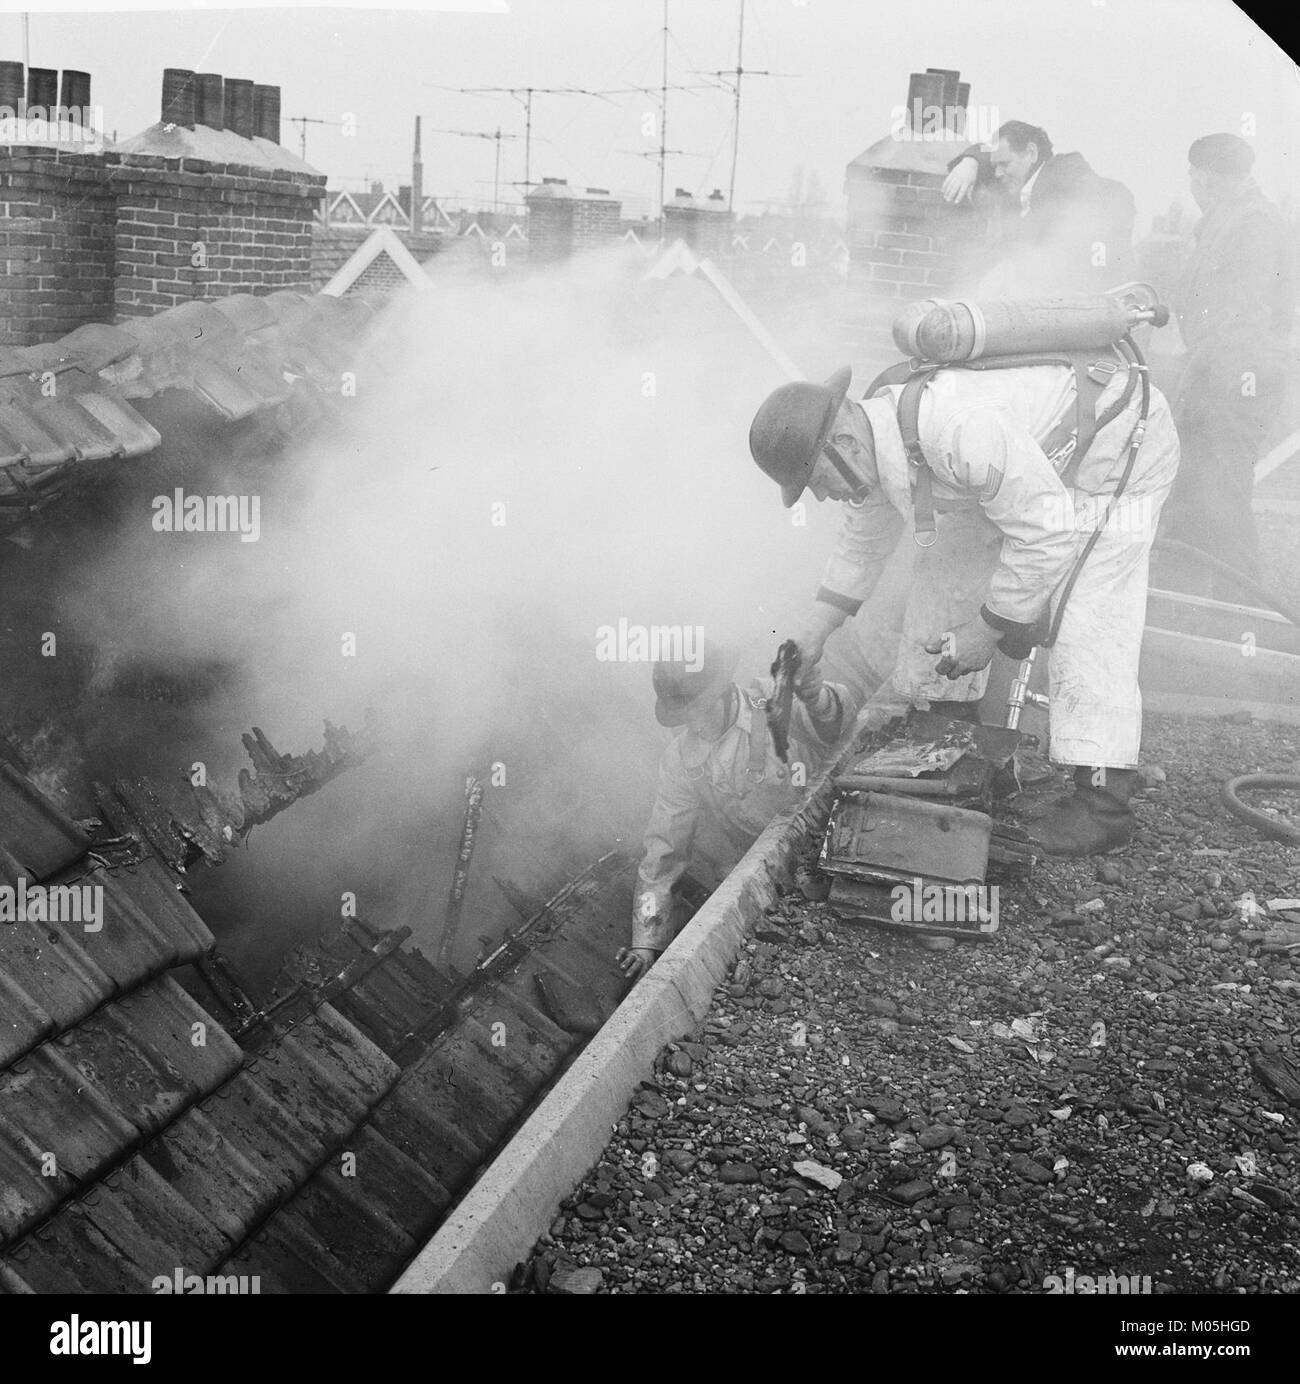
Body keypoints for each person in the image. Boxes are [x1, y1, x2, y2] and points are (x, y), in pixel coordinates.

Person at [747, 353, 1180, 857]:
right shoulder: (878, 446)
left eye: (817, 482)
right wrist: (816, 628)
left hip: (1117, 446)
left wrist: (989, 630)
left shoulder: (953, 429)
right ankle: (961, 754)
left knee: (1085, 614)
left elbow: (1048, 529)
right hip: (1036, 474)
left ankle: (1103, 809)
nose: (821, 497)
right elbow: (863, 545)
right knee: (943, 570)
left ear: (841, 445)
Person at [617, 641, 850, 982]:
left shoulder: (772, 698)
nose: (694, 722)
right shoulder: (680, 760)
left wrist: (818, 698)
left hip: (835, 837)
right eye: (685, 713)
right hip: (774, 879)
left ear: (722, 689)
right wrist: (646, 943)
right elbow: (662, 856)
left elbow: (840, 729)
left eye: (700, 707)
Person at [1160, 133, 1296, 591]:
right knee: (1198, 489)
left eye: (1195, 176)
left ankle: (1242, 600)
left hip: (1235, 381)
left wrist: (1200, 377)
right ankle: (1193, 589)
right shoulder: (1229, 218)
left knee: (1222, 494)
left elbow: (1241, 318)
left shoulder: (1253, 224)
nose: (1194, 186)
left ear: (1205, 176)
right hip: (1218, 374)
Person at [942, 121, 1135, 296]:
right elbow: (989, 152)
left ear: (1031, 153)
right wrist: (970, 162)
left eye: (1004, 164)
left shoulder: (1066, 171)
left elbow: (1115, 198)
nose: (998, 174)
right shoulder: (1016, 183)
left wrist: (1091, 282)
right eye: (995, 166)